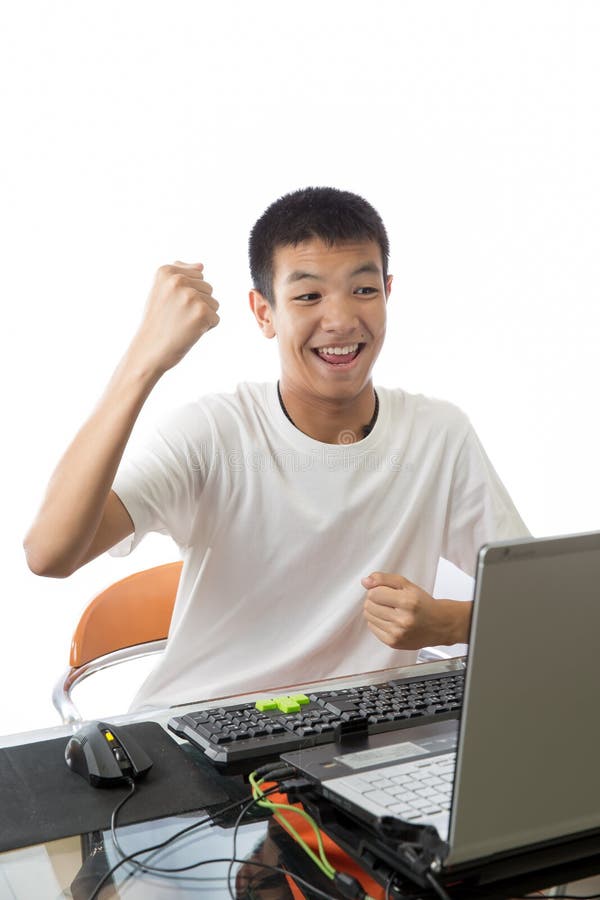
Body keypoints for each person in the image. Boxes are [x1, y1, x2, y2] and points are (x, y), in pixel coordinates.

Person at [24, 186, 529, 712]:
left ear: (387, 293)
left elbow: (547, 601)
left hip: (357, 745)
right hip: (199, 737)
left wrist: (450, 622)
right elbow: (49, 553)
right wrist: (143, 361)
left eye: (363, 290)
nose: (339, 320)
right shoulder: (214, 434)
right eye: (308, 296)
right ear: (263, 313)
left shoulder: (438, 435)